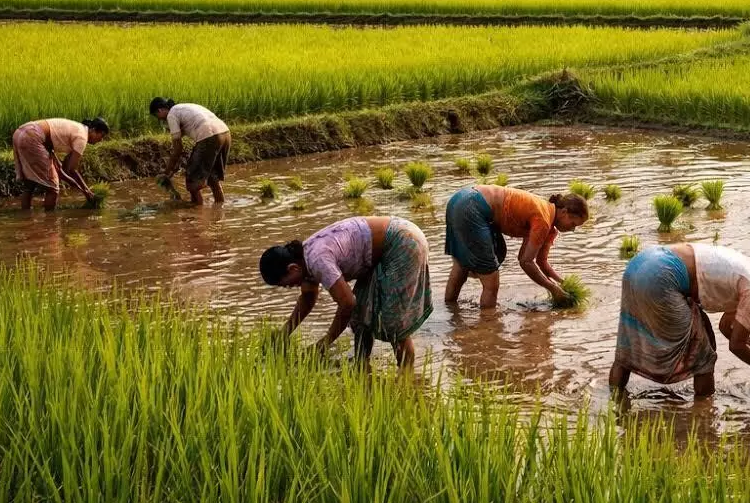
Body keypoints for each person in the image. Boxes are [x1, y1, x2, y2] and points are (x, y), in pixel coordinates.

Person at [609, 245, 750, 399]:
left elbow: (727, 328)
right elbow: (736, 345)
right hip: (662, 276)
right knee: (704, 356)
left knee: (629, 343)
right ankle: (704, 412)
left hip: (641, 264)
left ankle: (615, 402)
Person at [259, 216, 432, 369]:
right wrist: (283, 334)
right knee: (360, 316)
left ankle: (407, 378)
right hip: (384, 249)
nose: (290, 287)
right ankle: (361, 367)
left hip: (403, 242)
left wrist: (325, 343)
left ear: (293, 268)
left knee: (393, 322)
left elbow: (347, 303)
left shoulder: (318, 260)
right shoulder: (303, 262)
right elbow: (308, 298)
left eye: (286, 284)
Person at [442, 185, 589, 308]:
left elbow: (541, 262)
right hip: (472, 206)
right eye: (573, 224)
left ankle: (450, 309)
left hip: (460, 198)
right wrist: (553, 289)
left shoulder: (545, 212)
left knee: (461, 266)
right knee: (491, 283)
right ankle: (488, 326)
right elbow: (526, 262)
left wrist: (562, 283)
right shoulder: (543, 220)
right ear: (564, 212)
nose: (572, 229)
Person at [10, 117, 109, 209]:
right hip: (33, 137)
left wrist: (81, 188)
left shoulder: (78, 129)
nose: (101, 140)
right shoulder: (82, 137)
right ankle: (50, 222)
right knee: (53, 189)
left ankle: (26, 217)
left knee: (30, 184)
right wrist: (86, 191)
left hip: (21, 132)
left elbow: (64, 169)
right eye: (101, 135)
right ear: (93, 130)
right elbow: (71, 170)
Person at [149, 98, 230, 204]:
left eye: (156, 116)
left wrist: (166, 173)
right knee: (213, 178)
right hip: (225, 133)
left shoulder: (171, 115)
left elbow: (178, 149)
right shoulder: (182, 108)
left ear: (159, 110)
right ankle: (220, 207)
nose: (159, 120)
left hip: (209, 136)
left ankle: (196, 212)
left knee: (192, 181)